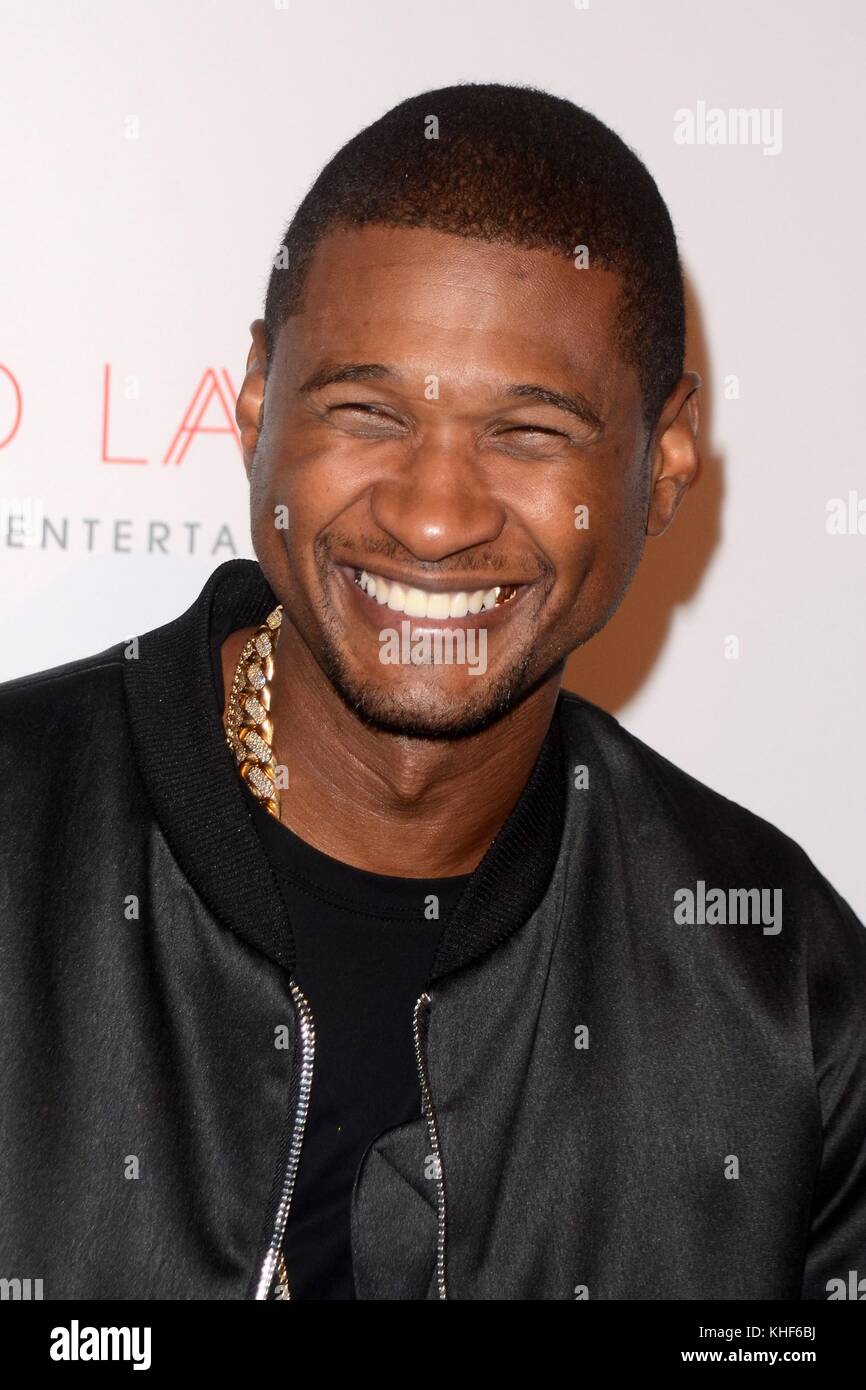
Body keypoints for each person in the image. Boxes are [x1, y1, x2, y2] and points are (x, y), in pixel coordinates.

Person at [1, 82, 863, 1301]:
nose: (431, 515)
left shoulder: (779, 994)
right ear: (255, 402)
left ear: (662, 465)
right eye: (366, 409)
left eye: (527, 433)